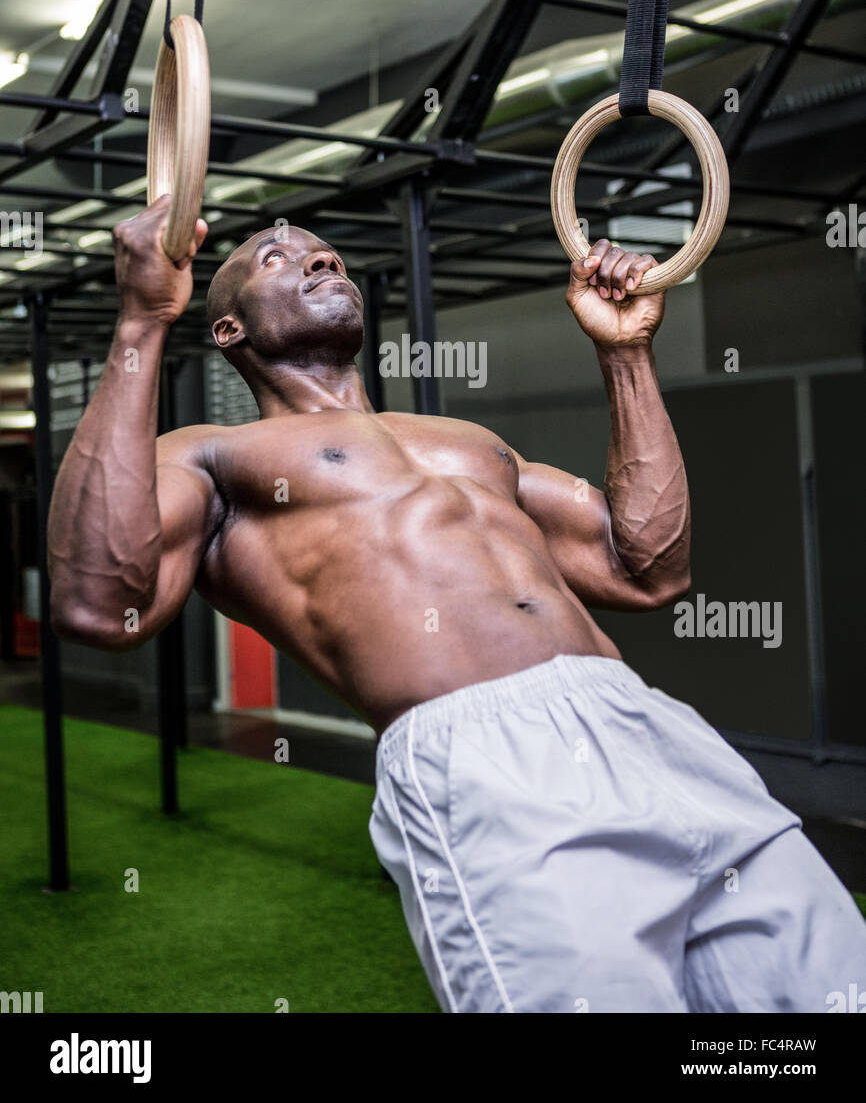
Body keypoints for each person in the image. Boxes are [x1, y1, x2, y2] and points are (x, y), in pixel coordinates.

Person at [48, 194, 866, 1013]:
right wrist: (140, 321)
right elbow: (97, 601)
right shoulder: (212, 455)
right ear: (229, 330)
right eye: (278, 259)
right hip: (480, 755)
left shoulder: (470, 444)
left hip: (647, 727)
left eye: (327, 253)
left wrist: (626, 356)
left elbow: (648, 566)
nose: (321, 260)